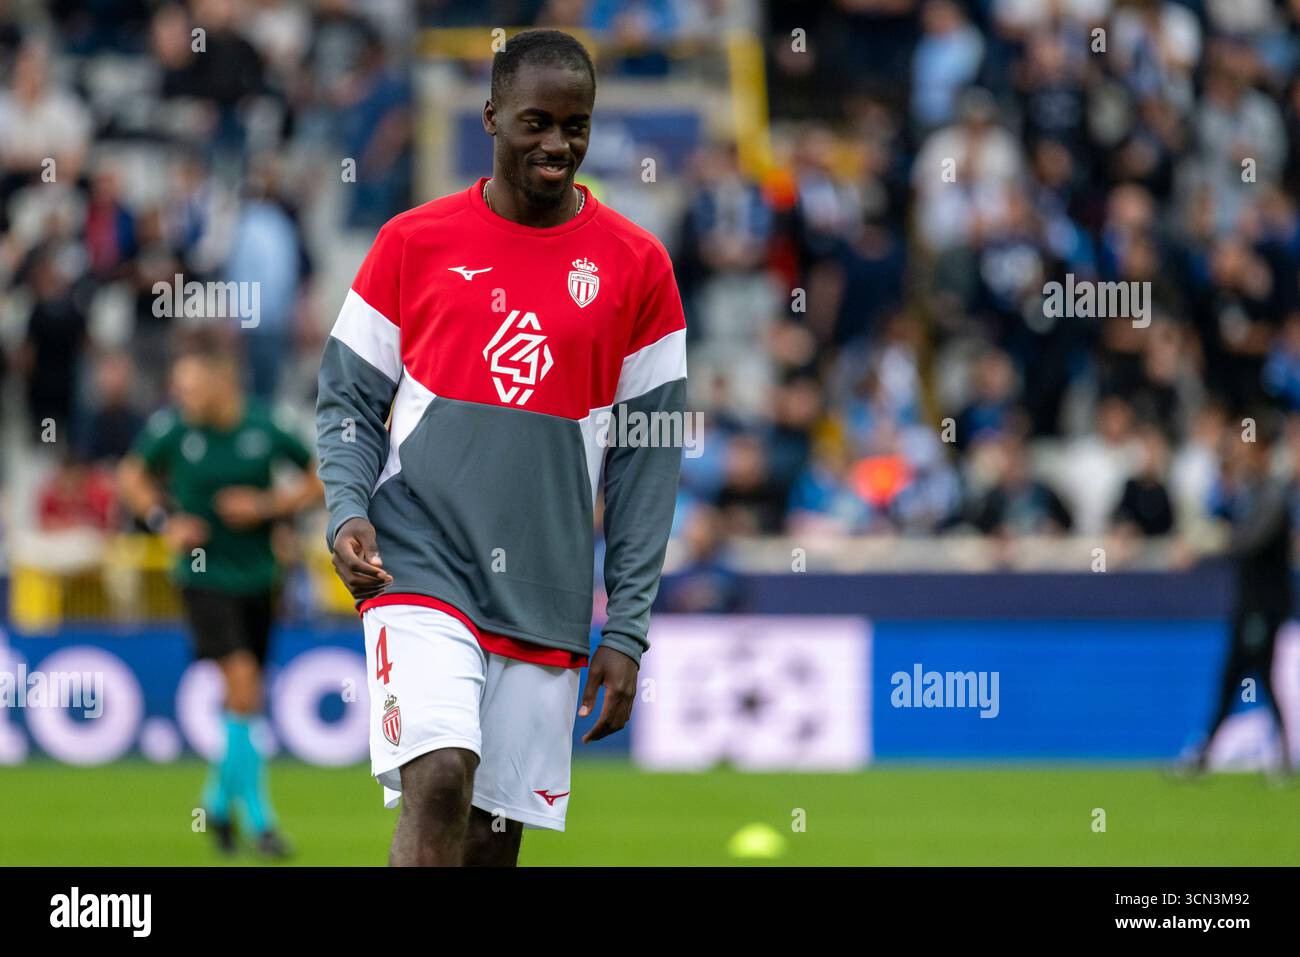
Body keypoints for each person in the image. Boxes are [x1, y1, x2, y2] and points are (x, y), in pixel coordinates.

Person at [315, 29, 686, 866]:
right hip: (419, 555)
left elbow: (647, 461)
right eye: (537, 122)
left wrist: (626, 626)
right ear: (490, 118)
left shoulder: (640, 268)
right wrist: (346, 509)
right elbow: (346, 399)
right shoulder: (412, 242)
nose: (559, 143)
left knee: (489, 841)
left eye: (577, 125)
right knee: (441, 774)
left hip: (545, 584)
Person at [118, 335, 324, 857]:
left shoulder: (266, 426)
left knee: (247, 698)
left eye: (192, 385)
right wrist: (164, 519)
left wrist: (266, 506)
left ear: (223, 382)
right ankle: (263, 821)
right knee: (243, 682)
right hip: (202, 576)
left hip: (258, 576)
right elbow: (131, 475)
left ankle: (215, 802)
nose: (182, 394)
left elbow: (318, 478)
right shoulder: (174, 430)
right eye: (179, 385)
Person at [1180, 415, 1294, 776]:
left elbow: (1249, 541)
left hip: (1264, 605)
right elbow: (1223, 518)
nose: (1240, 457)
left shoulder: (1272, 494)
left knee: (1257, 673)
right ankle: (1207, 753)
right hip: (1248, 604)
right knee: (1235, 677)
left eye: (1246, 450)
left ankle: (1284, 756)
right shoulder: (1247, 492)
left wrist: (1205, 547)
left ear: (1261, 452)